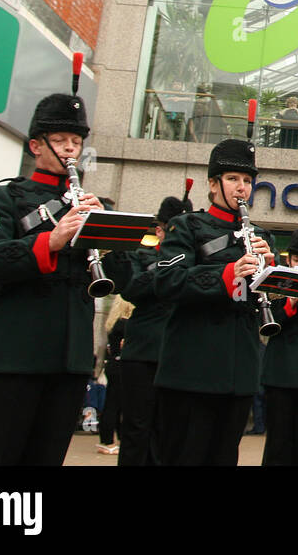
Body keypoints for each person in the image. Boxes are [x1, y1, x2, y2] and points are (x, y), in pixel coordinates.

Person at [0, 65, 134, 465]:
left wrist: (107, 239)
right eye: (60, 140)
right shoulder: (6, 196)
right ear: (36, 145)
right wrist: (50, 241)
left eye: (76, 141)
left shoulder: (95, 206)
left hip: (69, 360)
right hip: (12, 357)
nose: (70, 150)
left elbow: (127, 278)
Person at [153, 127, 275, 465]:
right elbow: (166, 281)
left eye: (248, 181)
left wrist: (271, 275)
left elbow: (264, 302)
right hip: (192, 370)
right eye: (233, 178)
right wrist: (227, 273)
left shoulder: (261, 236)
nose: (242, 188)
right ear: (212, 183)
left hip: (238, 372)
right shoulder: (187, 226)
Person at [116, 188, 189, 466]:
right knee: (137, 429)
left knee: (168, 432)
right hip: (143, 354)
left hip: (178, 355)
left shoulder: (191, 263)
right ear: (159, 230)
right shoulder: (143, 257)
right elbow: (131, 288)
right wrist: (167, 269)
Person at [261, 224, 298, 466]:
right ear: (288, 259)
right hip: (281, 373)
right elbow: (268, 320)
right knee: (278, 442)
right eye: (297, 258)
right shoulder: (275, 282)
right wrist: (291, 303)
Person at [97, 298, 131, 455]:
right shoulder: (126, 325)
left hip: (113, 364)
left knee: (115, 403)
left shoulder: (114, 323)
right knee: (116, 405)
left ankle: (110, 438)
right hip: (121, 366)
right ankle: (107, 440)